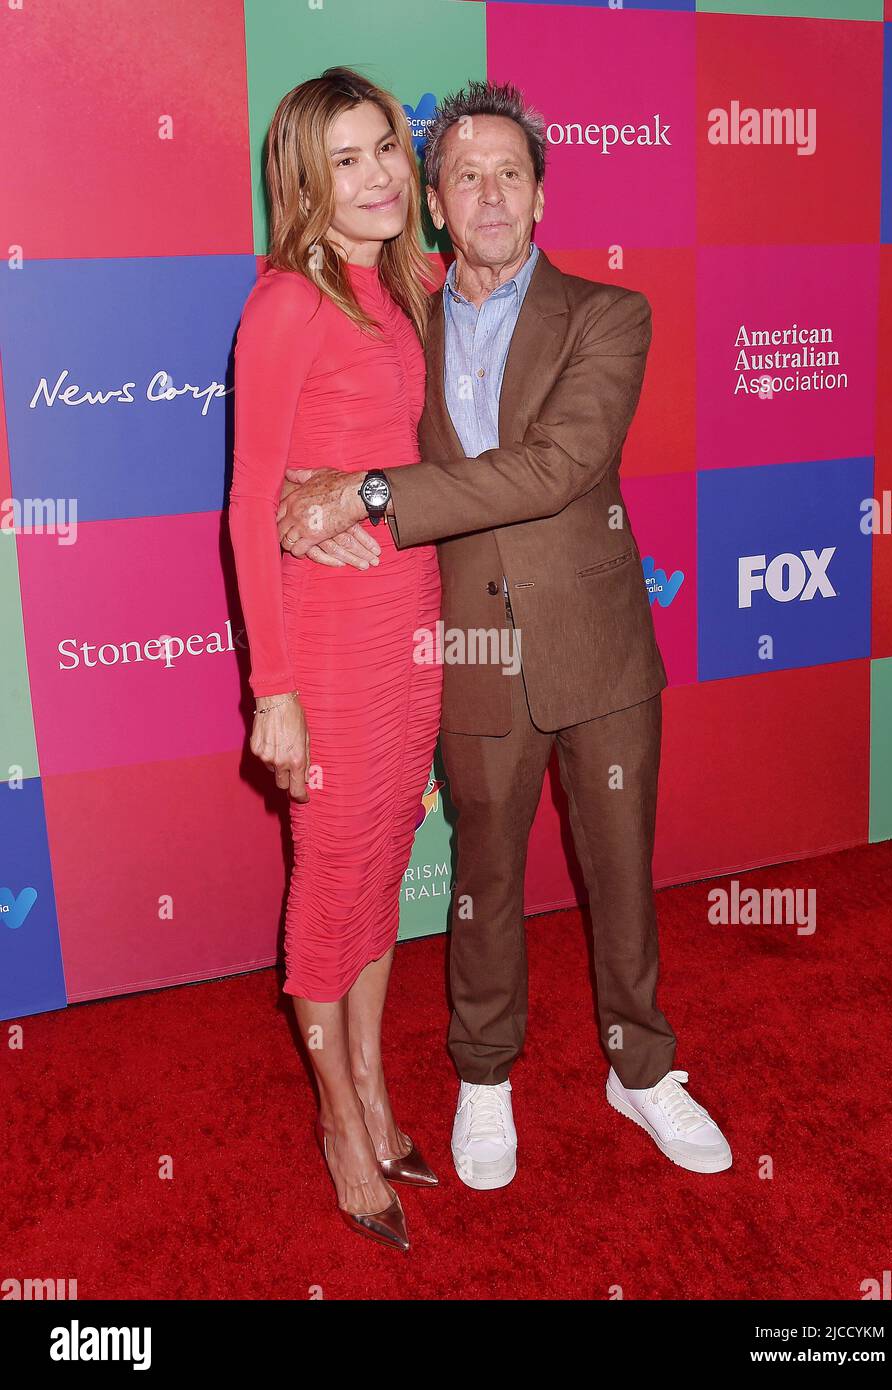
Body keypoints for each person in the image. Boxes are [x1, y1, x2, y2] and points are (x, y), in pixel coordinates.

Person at [279, 78, 732, 1190]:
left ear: (541, 194)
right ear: (432, 203)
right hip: (468, 651)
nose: (488, 194)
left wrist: (367, 497)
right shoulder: (400, 318)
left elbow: (558, 468)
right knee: (480, 874)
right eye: (463, 175)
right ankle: (485, 1075)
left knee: (618, 869)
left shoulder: (608, 315)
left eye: (509, 174)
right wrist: (300, 507)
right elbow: (314, 418)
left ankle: (640, 1065)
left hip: (601, 649)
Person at [228, 67, 444, 1250]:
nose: (374, 177)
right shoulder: (285, 303)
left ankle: (369, 1078)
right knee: (331, 874)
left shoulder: (401, 284)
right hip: (325, 635)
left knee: (383, 860)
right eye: (344, 160)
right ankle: (335, 1118)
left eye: (384, 151)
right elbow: (248, 495)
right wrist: (275, 691)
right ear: (303, 182)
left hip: (411, 614)